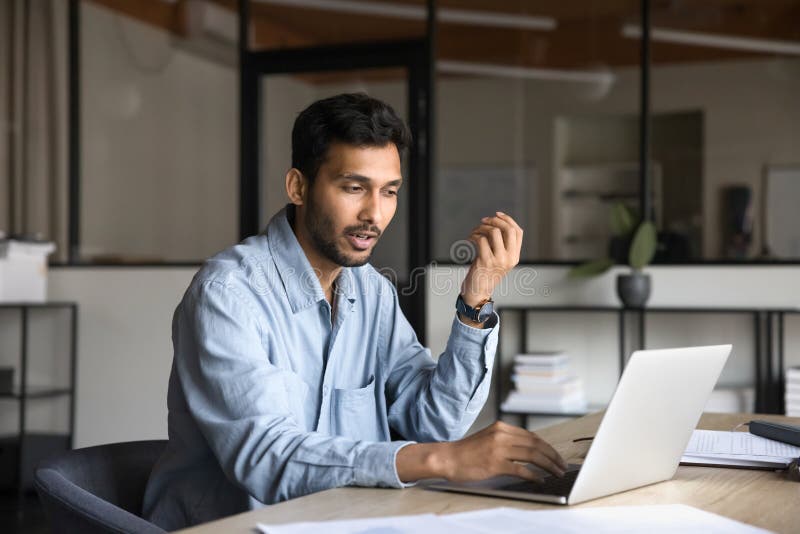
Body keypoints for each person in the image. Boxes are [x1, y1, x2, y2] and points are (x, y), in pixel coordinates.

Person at [143, 93, 566, 529]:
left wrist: (477, 296)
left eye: (389, 192)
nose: (375, 214)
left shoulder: (372, 292)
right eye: (354, 187)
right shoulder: (227, 295)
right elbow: (268, 459)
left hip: (346, 522)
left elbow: (434, 423)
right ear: (298, 187)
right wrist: (442, 460)